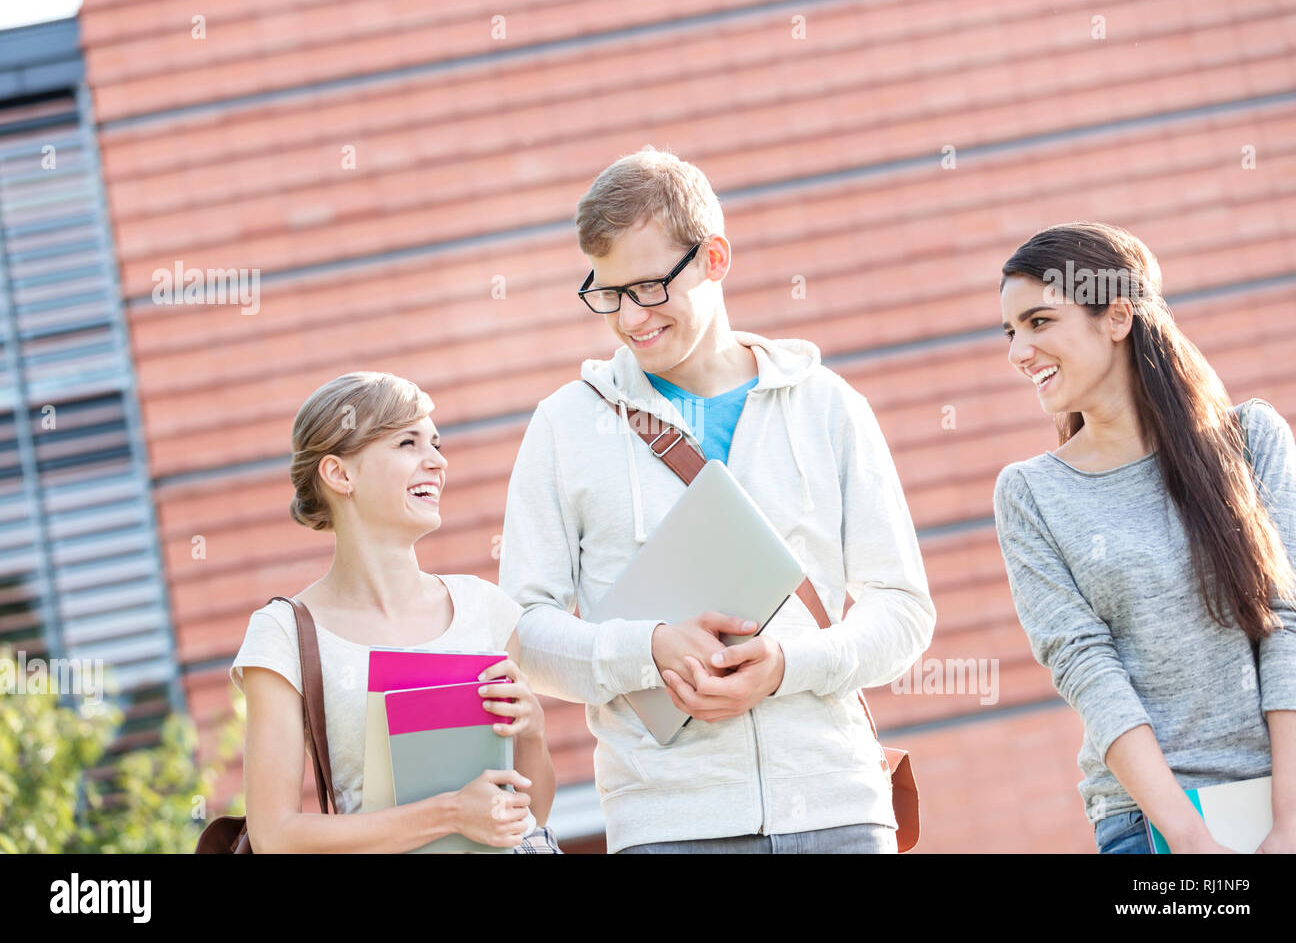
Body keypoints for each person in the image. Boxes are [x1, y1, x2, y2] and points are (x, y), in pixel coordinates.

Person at [498, 147, 936, 854]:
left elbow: (904, 610)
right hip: (671, 828)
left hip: (839, 812)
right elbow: (524, 634)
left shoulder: (827, 406)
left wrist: (792, 666)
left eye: (647, 287)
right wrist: (650, 650)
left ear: (715, 258)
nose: (628, 318)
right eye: (607, 293)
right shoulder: (565, 426)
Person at [992, 222, 1296, 854]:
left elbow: (1289, 623)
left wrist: (1290, 823)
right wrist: (1185, 837)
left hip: (1282, 802)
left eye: (1039, 322)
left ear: (1117, 316)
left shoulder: (1252, 440)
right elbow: (1086, 667)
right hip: (1147, 827)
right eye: (1011, 331)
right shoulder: (1030, 494)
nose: (1019, 351)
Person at [230, 371, 559, 852]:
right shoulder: (283, 633)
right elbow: (275, 834)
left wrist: (532, 733)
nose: (438, 461)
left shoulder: (484, 607)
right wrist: (449, 813)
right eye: (408, 443)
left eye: (436, 443)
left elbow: (532, 816)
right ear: (340, 474)